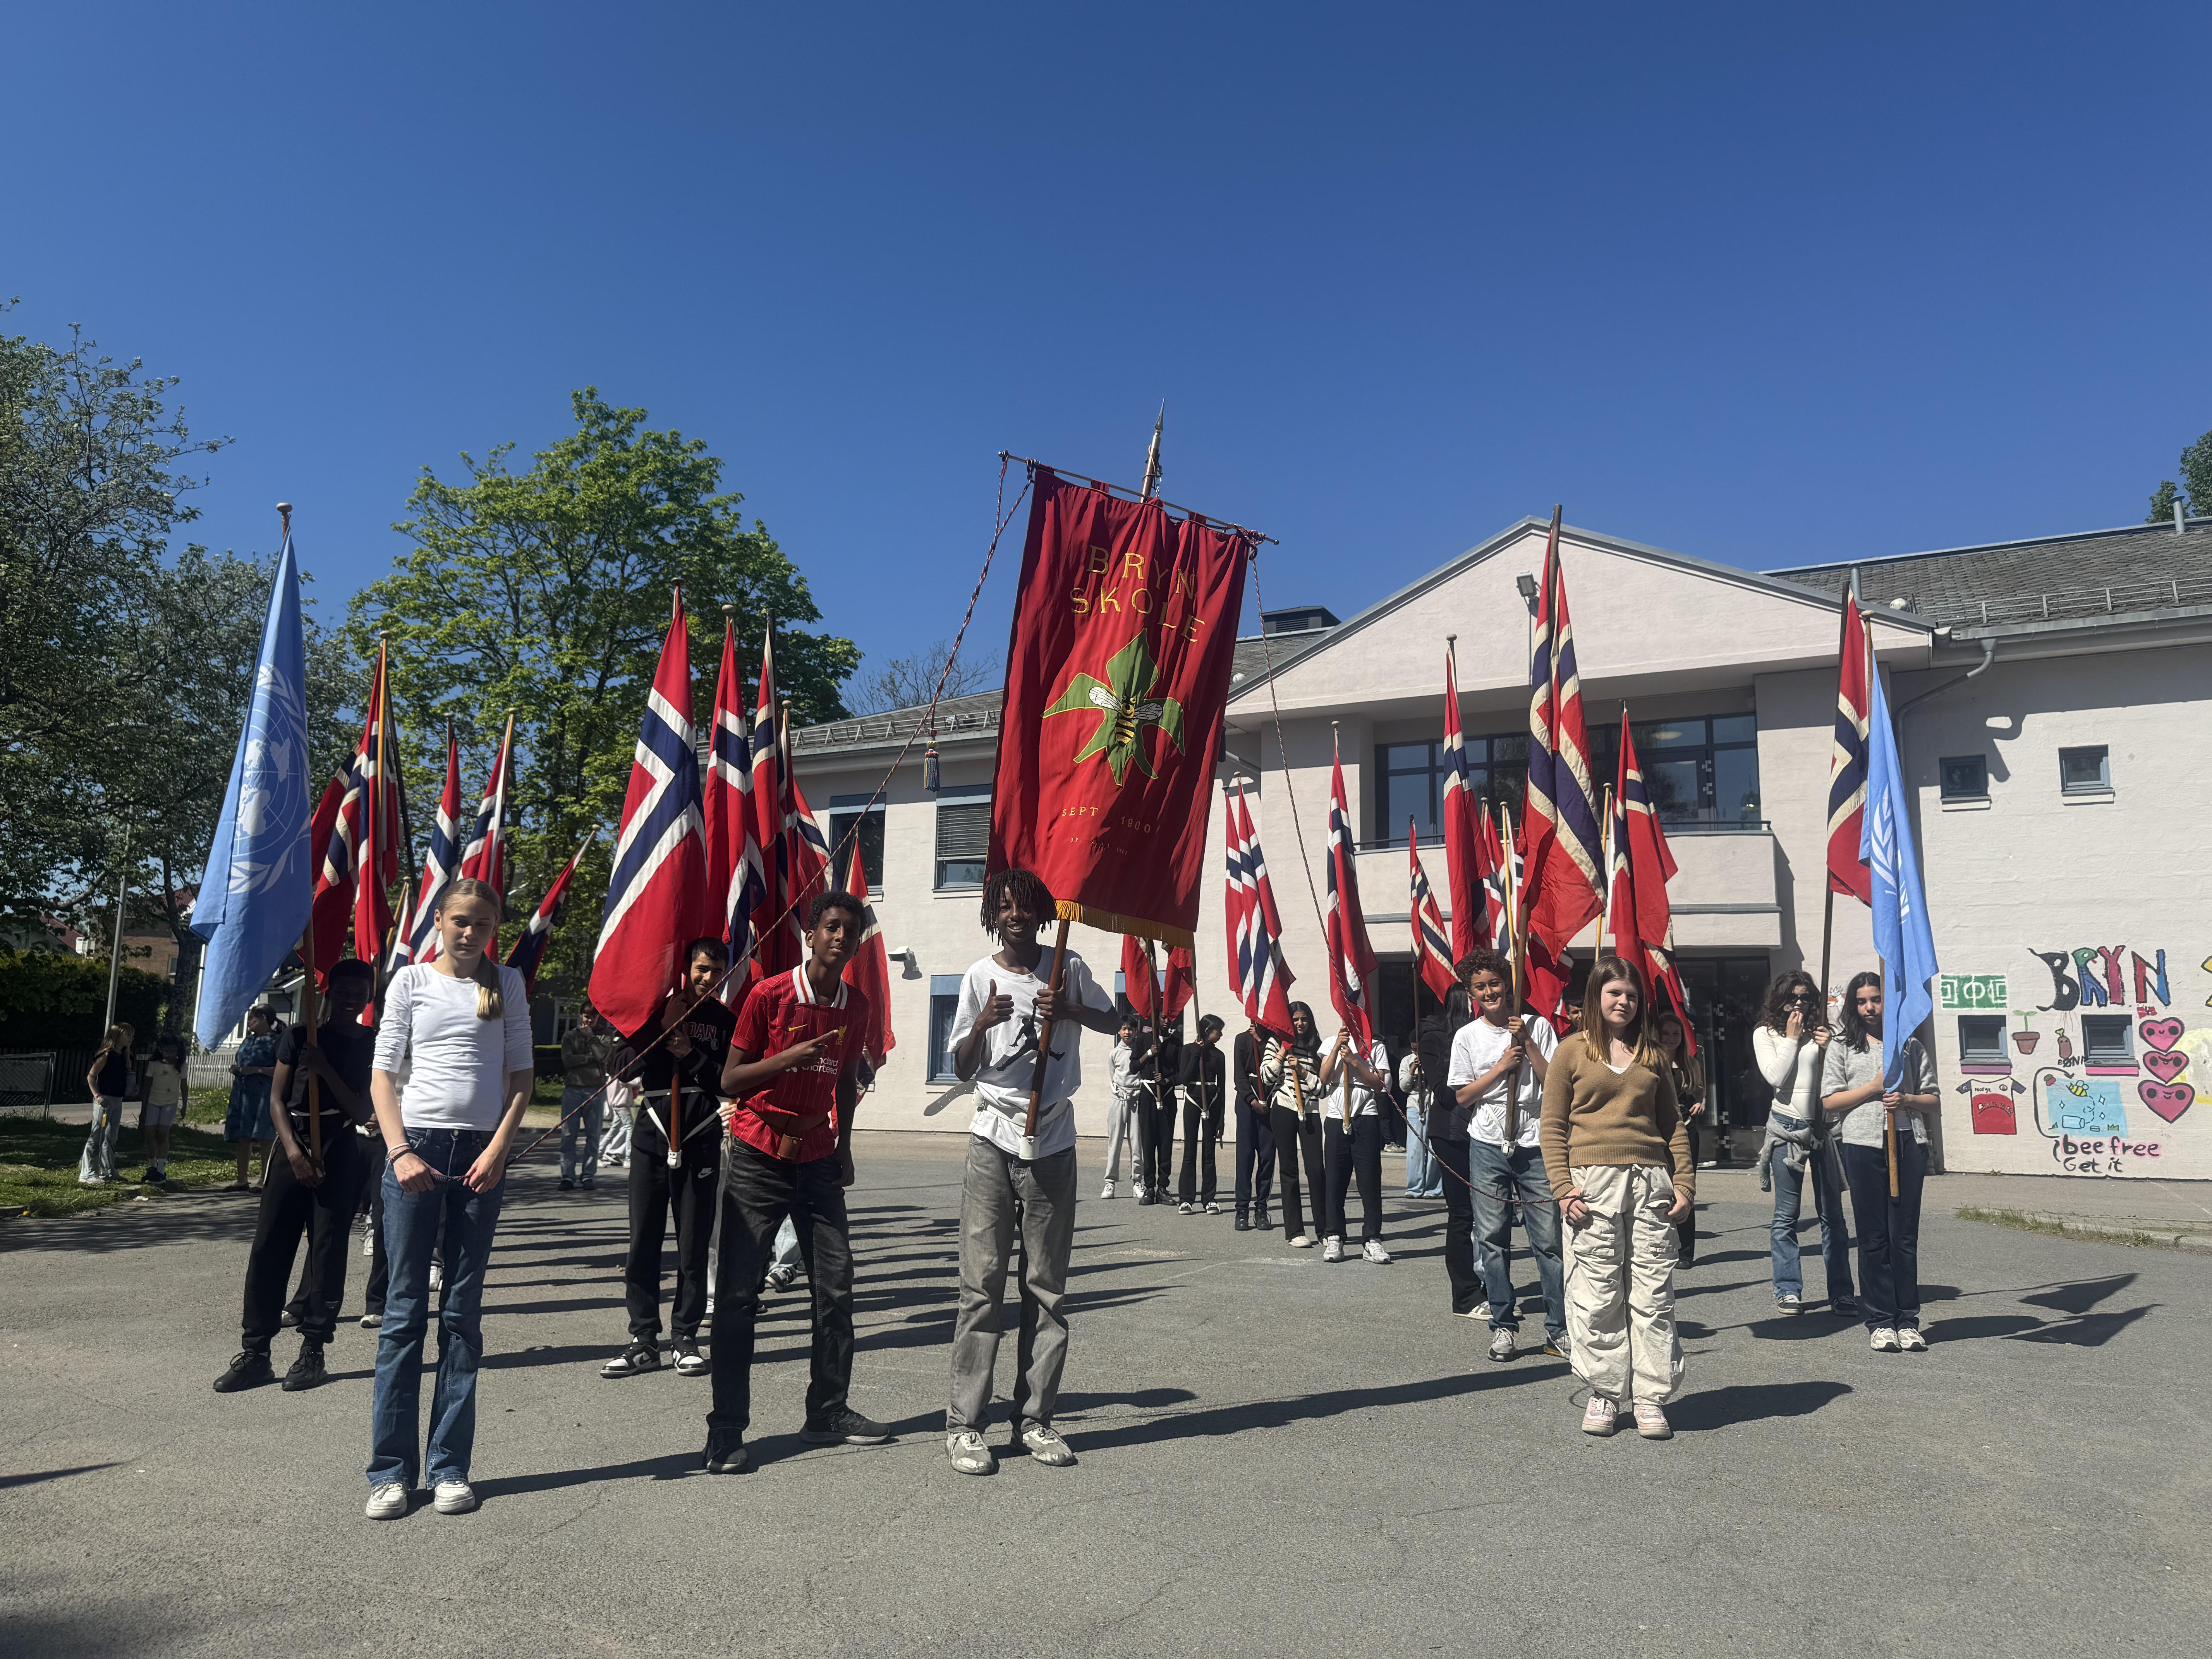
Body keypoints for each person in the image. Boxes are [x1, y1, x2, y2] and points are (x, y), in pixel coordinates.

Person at [364, 878, 534, 1518]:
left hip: (480, 1157)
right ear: (440, 919)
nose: (470, 932)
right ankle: (389, 1471)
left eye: (483, 924)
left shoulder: (504, 984)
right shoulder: (410, 981)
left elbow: (520, 1073)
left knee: (462, 1313)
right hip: (417, 1149)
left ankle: (449, 1465)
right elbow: (383, 1071)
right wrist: (400, 1150)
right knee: (405, 1309)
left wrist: (498, 1149)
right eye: (461, 920)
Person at [943, 867, 1120, 1476]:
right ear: (993, 912)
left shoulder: (1067, 967)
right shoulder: (978, 976)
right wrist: (984, 1026)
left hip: (1053, 1139)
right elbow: (963, 1065)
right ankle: (966, 1425)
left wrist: (1067, 1006)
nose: (1016, 914)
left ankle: (1036, 1418)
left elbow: (1114, 1021)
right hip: (993, 1137)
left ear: (1045, 912)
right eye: (1005, 905)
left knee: (1046, 1288)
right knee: (982, 1284)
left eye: (1026, 906)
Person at [703, 890, 887, 1473]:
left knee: (835, 1288)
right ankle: (726, 1431)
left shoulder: (856, 1007)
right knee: (738, 1295)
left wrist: (847, 1146)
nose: (841, 938)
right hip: (759, 1152)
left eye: (850, 931)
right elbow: (730, 1079)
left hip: (818, 1156)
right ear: (810, 935)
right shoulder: (769, 995)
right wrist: (787, 1059)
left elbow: (844, 1083)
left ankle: (827, 1411)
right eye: (831, 927)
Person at [1540, 954, 1694, 1441]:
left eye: (1631, 995)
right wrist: (1563, 1189)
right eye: (1614, 993)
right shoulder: (1570, 1052)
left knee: (1653, 1296)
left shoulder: (1653, 1055)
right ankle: (1605, 1394)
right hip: (1592, 1186)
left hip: (1651, 1184)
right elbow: (1553, 1127)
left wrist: (1685, 1184)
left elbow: (1672, 1127)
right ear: (1596, 996)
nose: (1623, 1001)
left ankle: (1650, 1398)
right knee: (1597, 1293)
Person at [213, 959, 379, 1395]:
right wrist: (293, 1152)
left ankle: (313, 1351)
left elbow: (363, 1111)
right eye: (341, 991)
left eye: (357, 994)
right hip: (292, 1147)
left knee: (326, 1251)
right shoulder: (300, 1036)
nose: (348, 999)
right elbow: (276, 1100)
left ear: (368, 997)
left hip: (340, 1149)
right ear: (328, 992)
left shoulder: (372, 1043)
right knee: (270, 1248)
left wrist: (325, 1069)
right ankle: (256, 1353)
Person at [601, 938, 736, 1382]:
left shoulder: (725, 1021)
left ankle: (685, 1337)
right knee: (643, 1243)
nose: (707, 979)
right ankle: (643, 1339)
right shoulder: (655, 1010)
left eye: (715, 972)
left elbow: (730, 1082)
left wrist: (690, 1055)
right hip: (651, 1138)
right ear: (686, 967)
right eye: (700, 969)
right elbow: (620, 1066)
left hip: (699, 1138)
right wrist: (660, 1031)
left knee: (694, 1246)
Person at [1447, 947, 1564, 1361]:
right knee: (1492, 1239)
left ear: (1507, 983)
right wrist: (1499, 1068)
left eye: (1494, 983)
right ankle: (1503, 1324)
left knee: (1548, 1240)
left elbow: (1555, 1082)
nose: (1489, 992)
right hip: (1488, 1141)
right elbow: (1462, 1097)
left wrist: (1527, 1043)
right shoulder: (1467, 1036)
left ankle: (1559, 1328)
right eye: (1480, 987)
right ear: (1471, 993)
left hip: (1534, 1140)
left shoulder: (1538, 1025)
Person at [1822, 970, 1936, 1353]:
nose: (1870, 1007)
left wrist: (1906, 1100)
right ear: (1854, 1006)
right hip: (1863, 1144)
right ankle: (1880, 1320)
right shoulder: (1842, 1047)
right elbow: (1829, 1102)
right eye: (1863, 1001)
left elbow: (1933, 1100)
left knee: (1903, 1238)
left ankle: (1908, 1319)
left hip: (1907, 1143)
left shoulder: (1909, 1046)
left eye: (1877, 998)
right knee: (1873, 1237)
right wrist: (1871, 1089)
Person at [1752, 971, 1854, 1314]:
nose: (1798, 1003)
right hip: (1786, 1131)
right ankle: (1788, 1289)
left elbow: (1840, 1078)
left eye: (1805, 997)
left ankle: (1841, 1291)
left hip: (1824, 1129)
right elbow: (1776, 1077)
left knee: (1833, 1217)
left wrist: (1832, 1048)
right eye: (1792, 996)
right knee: (1786, 1216)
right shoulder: (1766, 1034)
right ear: (1778, 998)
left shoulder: (1824, 1034)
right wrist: (1793, 1040)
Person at [1317, 1025, 1391, 1262]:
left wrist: (1356, 1061)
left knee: (1369, 1182)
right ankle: (1335, 1236)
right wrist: (1338, 1050)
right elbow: (1325, 1077)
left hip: (1366, 1117)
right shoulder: (1330, 1043)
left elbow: (1379, 1084)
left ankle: (1372, 1239)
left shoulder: (1376, 1047)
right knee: (1335, 1181)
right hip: (1337, 1117)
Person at [1259, 1003, 1328, 1249]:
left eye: (1304, 1019)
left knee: (1316, 1170)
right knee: (1289, 1170)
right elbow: (1267, 1077)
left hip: (1309, 1111)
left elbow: (1323, 1089)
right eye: (1296, 1019)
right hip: (1283, 1107)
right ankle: (1295, 1231)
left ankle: (1324, 1230)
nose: (1300, 1024)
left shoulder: (1316, 1049)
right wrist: (1282, 1053)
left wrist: (1303, 1072)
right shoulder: (1275, 1042)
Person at [1654, 1008, 1708, 1269]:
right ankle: (1661, 1246)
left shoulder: (1690, 1064)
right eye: (1666, 1034)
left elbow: (1699, 1092)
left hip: (1687, 1133)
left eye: (1676, 1034)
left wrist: (1701, 1101)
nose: (1671, 1038)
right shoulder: (1651, 1061)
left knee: (1684, 1189)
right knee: (1659, 1190)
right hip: (1657, 1135)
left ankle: (1686, 1252)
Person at [558, 1007, 615, 1192]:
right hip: (573, 1090)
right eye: (586, 1016)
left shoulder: (606, 1035)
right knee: (568, 1135)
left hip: (595, 1090)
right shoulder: (570, 1036)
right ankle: (567, 1176)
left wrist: (591, 1036)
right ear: (581, 1015)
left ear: (598, 1017)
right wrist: (590, 1058)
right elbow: (567, 1061)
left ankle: (588, 1175)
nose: (589, 1020)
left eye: (593, 1017)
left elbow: (602, 1055)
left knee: (593, 1136)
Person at [222, 1008, 278, 1189]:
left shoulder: (275, 1041)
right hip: (243, 1093)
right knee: (242, 1136)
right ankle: (242, 1180)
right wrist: (237, 1069)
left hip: (264, 1094)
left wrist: (257, 1070)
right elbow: (243, 1061)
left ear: (264, 1018)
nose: (248, 1023)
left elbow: (282, 1069)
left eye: (252, 1019)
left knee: (265, 1137)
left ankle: (265, 1179)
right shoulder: (249, 1040)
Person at [1177, 1014, 1226, 1214]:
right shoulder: (1189, 1050)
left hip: (1212, 1102)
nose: (1221, 1035)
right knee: (1190, 1150)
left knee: (1209, 1152)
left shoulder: (1219, 1055)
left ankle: (1209, 1199)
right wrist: (1197, 1054)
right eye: (1218, 1031)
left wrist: (1221, 1119)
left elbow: (1222, 1087)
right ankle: (1186, 1199)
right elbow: (1184, 1078)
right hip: (1193, 1100)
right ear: (1208, 1032)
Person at [77, 1024, 137, 1186]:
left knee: (111, 1137)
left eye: (132, 1035)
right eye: (127, 1035)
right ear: (116, 1036)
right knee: (97, 1135)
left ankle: (109, 1170)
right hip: (105, 1101)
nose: (131, 1038)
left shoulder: (124, 1056)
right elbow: (91, 1077)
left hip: (118, 1100)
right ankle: (88, 1173)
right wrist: (98, 1096)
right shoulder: (106, 1055)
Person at [1231, 1022, 1275, 1233]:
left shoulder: (1273, 1042)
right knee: (1245, 1158)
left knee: (1267, 1159)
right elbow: (1239, 1076)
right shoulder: (1241, 1040)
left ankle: (1261, 1208)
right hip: (1248, 1103)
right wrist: (1252, 1101)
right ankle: (1242, 1210)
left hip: (1270, 1101)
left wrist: (1261, 1042)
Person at [1135, 1017, 1180, 1206]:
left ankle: (1163, 1187)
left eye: (1170, 1017)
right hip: (1148, 1096)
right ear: (1154, 1017)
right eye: (1163, 1017)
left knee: (1165, 1143)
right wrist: (1149, 1053)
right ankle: (1150, 1187)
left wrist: (1168, 1079)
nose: (1167, 1021)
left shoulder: (1176, 1043)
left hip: (1167, 1095)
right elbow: (1133, 1066)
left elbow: (1182, 1072)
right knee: (1148, 1142)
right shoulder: (1143, 1039)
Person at [1100, 1016, 1145, 1200]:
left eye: (1131, 1029)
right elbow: (1113, 1077)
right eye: (1124, 1029)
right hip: (1119, 1100)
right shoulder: (1114, 1053)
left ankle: (1138, 1181)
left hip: (1137, 1100)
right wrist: (1118, 1091)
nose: (1128, 1032)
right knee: (1115, 1142)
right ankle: (1110, 1183)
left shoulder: (1140, 1051)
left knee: (1137, 1143)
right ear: (1119, 1031)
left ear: (1136, 1031)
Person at [1398, 1031, 1444, 1200]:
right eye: (1414, 1050)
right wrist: (1413, 1070)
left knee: (1433, 1149)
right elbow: (1403, 1087)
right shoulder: (1406, 1061)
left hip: (1432, 1104)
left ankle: (1433, 1187)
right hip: (1414, 1105)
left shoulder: (1434, 1058)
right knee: (1415, 1149)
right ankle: (1415, 1186)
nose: (1416, 1054)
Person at [138, 1034, 187, 1182]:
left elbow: (184, 1086)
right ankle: (152, 1166)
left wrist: (184, 1105)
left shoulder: (181, 1065)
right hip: (153, 1102)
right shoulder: (154, 1064)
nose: (170, 1055)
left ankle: (161, 1169)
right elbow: (147, 1086)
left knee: (163, 1134)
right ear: (161, 1050)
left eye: (173, 1051)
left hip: (170, 1104)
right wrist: (143, 1108)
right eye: (167, 1051)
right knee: (150, 1135)